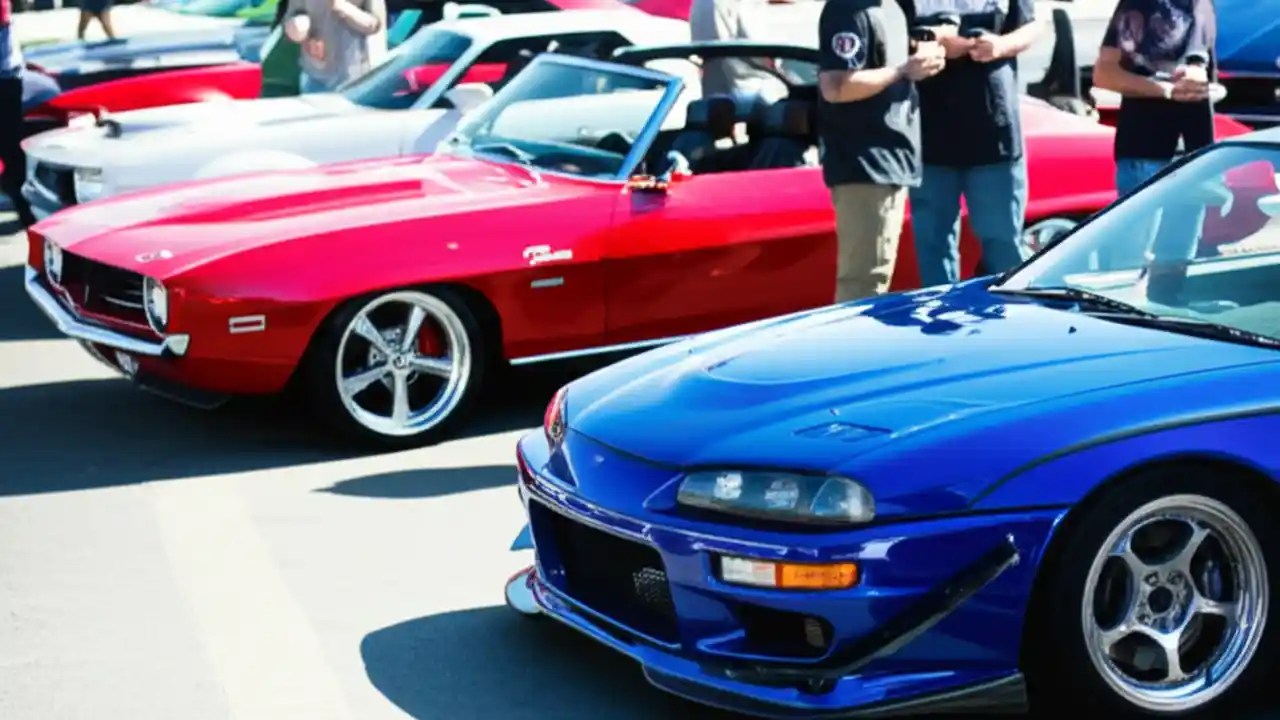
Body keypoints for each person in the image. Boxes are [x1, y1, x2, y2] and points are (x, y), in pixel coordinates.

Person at [908, 1, 1043, 287]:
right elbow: (888, 35)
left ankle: (1011, 319)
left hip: (994, 136)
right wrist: (935, 42)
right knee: (933, 243)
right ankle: (942, 322)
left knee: (1003, 241)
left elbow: (1033, 26)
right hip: (929, 137)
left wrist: (1000, 46)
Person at [817, 0, 945, 303]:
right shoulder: (848, 9)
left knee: (875, 276)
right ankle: (852, 350)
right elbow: (836, 86)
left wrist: (924, 57)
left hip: (893, 159)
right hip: (865, 162)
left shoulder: (895, 7)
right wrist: (903, 71)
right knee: (864, 283)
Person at [1093, 0, 1216, 197]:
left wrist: (1200, 78)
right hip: (1148, 157)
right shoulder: (1143, 4)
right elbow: (1104, 73)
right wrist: (1166, 90)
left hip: (1197, 158)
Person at [689, 0, 792, 103]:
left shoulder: (702, 3)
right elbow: (760, 51)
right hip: (749, 95)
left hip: (718, 97)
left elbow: (700, 49)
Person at [283, 0, 387, 94]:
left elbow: (375, 24)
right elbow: (290, 18)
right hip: (315, 78)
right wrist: (301, 35)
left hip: (354, 79)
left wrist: (345, 8)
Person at [1, 0, 35, 228]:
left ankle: (27, 211)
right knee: (11, 148)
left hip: (6, 78)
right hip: (7, 77)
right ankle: (26, 211)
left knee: (11, 149)